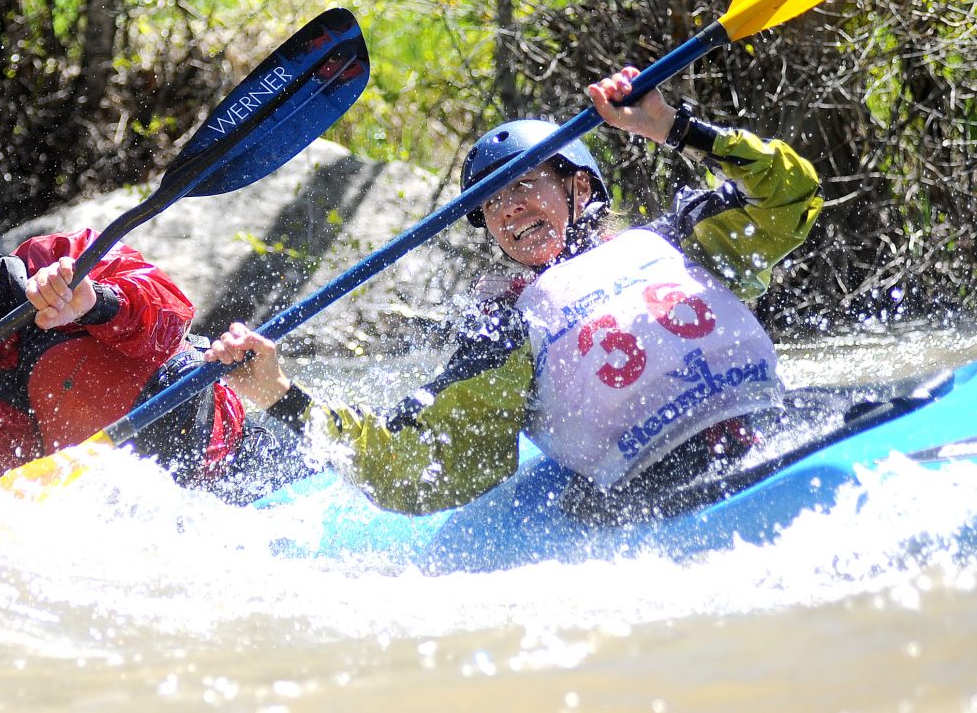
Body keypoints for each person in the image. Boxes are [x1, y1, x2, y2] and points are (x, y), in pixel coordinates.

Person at [204, 66, 823, 523]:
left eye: (526, 185)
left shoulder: (688, 242)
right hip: (655, 502)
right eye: (491, 203)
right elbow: (412, 473)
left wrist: (672, 126)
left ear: (581, 186)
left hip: (772, 440)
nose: (508, 212)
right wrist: (278, 395)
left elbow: (792, 196)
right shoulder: (504, 331)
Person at [0, 194, 250, 487]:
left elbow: (174, 318)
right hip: (117, 518)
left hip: (218, 452)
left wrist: (97, 305)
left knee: (59, 373)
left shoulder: (58, 261)